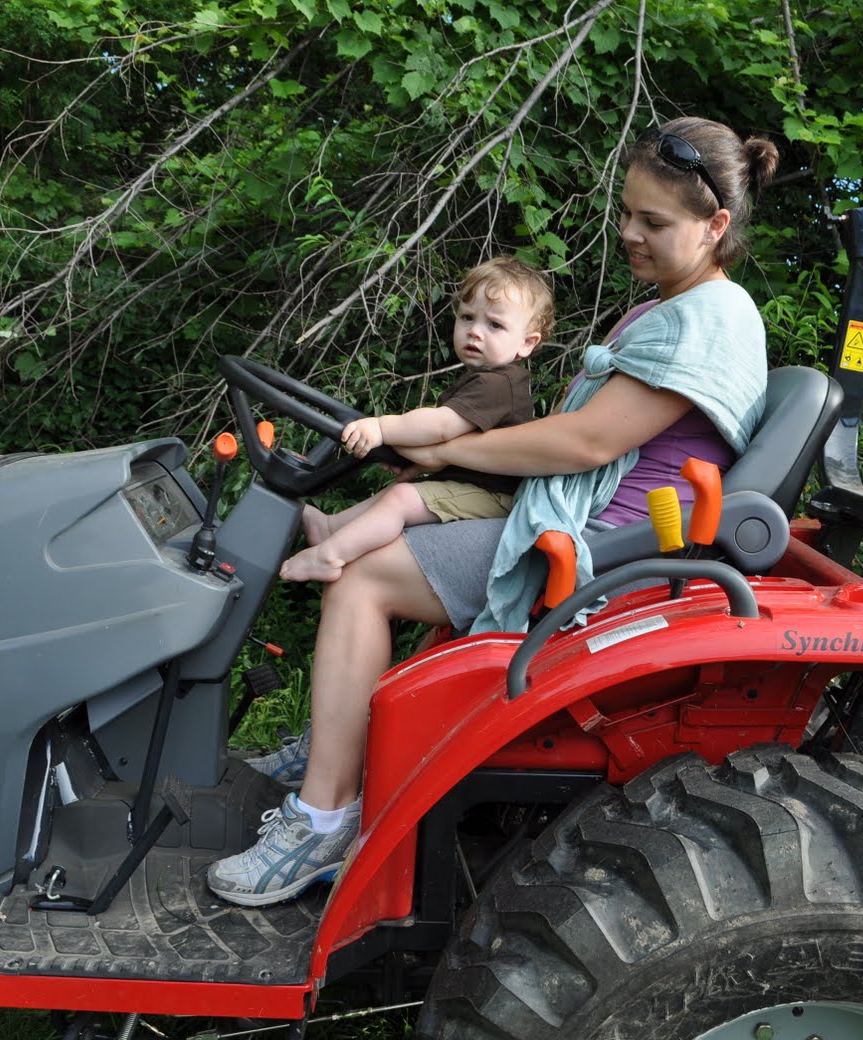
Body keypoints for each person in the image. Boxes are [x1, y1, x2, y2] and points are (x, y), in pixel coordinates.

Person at [208, 116, 780, 908]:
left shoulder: (710, 318)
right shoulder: (678, 305)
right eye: (628, 213)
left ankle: (322, 818)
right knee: (396, 528)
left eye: (653, 222)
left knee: (362, 578)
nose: (629, 234)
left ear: (716, 225)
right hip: (593, 525)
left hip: (600, 551)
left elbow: (583, 442)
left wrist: (452, 451)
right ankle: (342, 750)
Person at [280, 256, 554, 582]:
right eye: (467, 318)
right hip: (474, 484)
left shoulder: (498, 384)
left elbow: (440, 426)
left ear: (526, 342)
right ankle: (328, 528)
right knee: (401, 491)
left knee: (401, 500)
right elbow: (459, 445)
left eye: (494, 325)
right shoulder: (488, 380)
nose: (475, 332)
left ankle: (330, 556)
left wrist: (382, 428)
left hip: (496, 497)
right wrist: (416, 463)